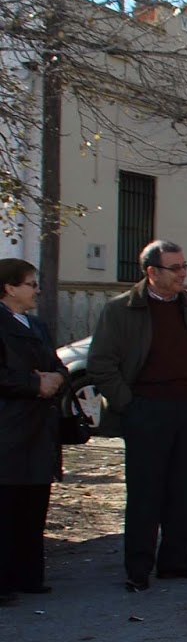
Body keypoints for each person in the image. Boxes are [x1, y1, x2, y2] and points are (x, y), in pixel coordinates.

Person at [86, 240, 187, 591]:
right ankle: (138, 566)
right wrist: (129, 405)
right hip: (146, 410)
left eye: (184, 266)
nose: (183, 274)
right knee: (145, 492)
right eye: (174, 268)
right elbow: (101, 364)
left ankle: (177, 560)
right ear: (151, 272)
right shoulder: (121, 310)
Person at [0, 259, 70, 604]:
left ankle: (28, 575)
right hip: (8, 428)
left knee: (34, 503)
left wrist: (56, 378)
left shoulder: (37, 325)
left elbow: (57, 364)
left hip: (40, 429)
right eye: (30, 284)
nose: (37, 290)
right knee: (6, 506)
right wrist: (33, 384)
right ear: (9, 288)